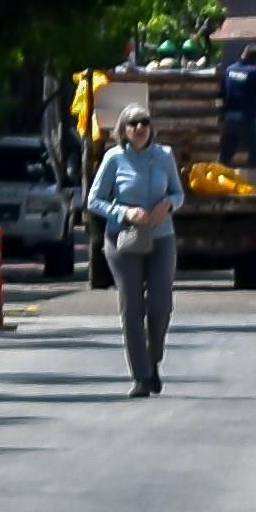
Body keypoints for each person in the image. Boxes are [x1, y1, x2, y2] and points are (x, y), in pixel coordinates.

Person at [87, 98, 184, 392]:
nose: (140, 127)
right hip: (124, 238)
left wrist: (168, 204)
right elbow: (94, 200)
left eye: (145, 122)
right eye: (133, 123)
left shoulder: (164, 156)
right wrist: (124, 212)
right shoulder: (113, 158)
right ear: (123, 129)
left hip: (160, 236)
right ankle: (141, 376)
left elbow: (179, 193)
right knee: (132, 306)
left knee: (160, 304)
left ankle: (153, 359)